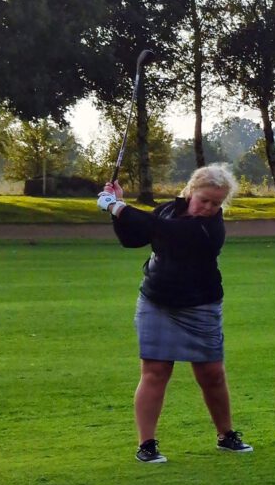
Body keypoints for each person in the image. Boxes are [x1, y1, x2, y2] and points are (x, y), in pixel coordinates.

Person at [102, 163, 250, 464]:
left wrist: (117, 207)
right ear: (191, 191)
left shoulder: (208, 228)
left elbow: (166, 232)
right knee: (155, 371)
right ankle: (147, 444)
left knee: (211, 374)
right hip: (156, 300)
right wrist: (115, 211)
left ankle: (226, 435)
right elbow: (133, 239)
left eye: (216, 203)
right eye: (204, 200)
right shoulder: (167, 210)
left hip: (200, 305)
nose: (209, 207)